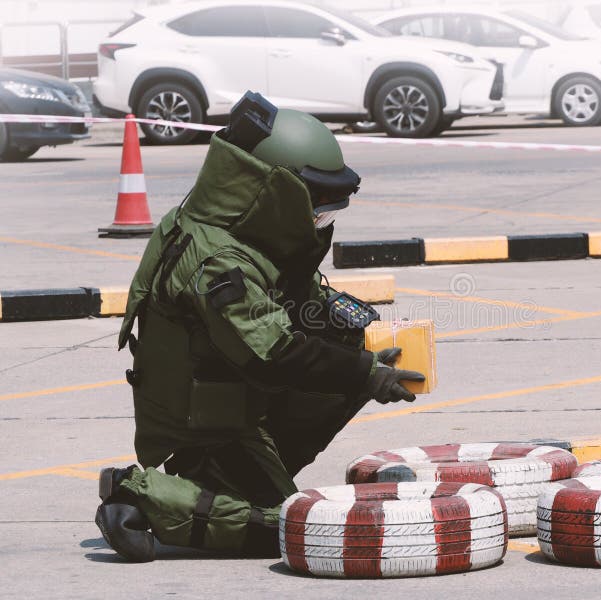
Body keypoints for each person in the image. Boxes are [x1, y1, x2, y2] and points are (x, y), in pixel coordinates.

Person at [94, 92, 424, 562]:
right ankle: (140, 497)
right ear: (274, 193)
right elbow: (273, 354)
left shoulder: (238, 233)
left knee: (345, 344)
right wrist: (367, 373)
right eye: (316, 208)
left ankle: (216, 479)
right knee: (295, 530)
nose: (321, 222)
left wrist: (354, 329)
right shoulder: (219, 262)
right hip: (209, 420)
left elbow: (297, 294)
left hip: (229, 398)